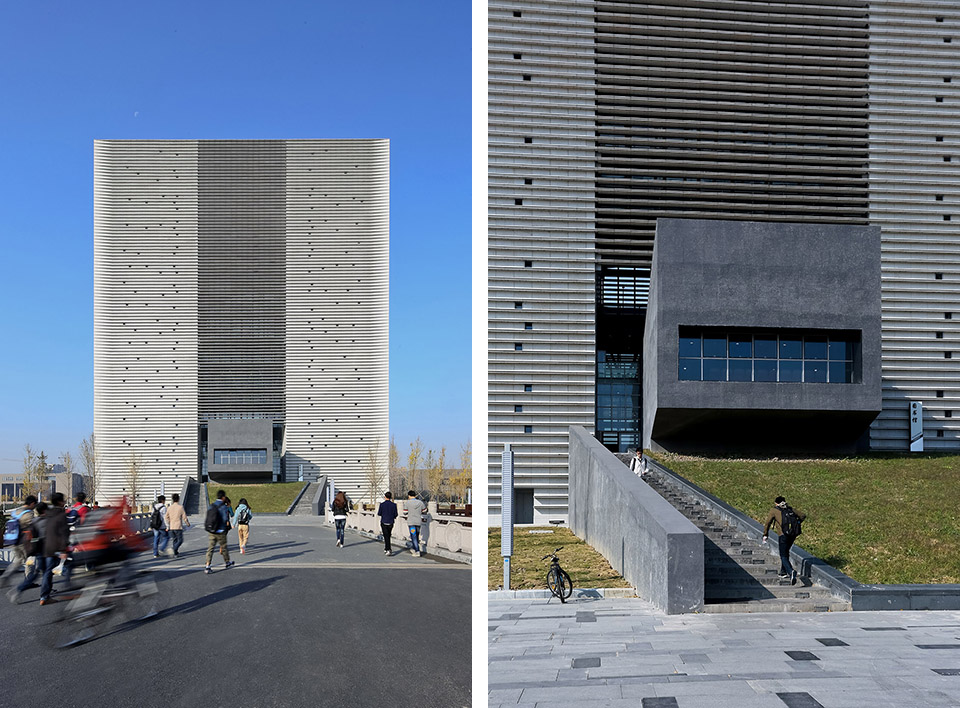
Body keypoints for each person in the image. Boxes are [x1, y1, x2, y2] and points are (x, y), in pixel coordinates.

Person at [762, 496, 807, 585]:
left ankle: (790, 571)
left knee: (783, 555)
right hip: (793, 534)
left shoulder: (774, 510)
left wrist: (765, 534)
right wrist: (797, 523)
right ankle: (783, 572)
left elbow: (768, 523)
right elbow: (802, 515)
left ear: (776, 503)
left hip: (783, 535)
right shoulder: (790, 509)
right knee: (786, 552)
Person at [1, 495, 37, 587]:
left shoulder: (16, 511)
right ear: (32, 503)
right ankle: (28, 580)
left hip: (13, 540)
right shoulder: (29, 513)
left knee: (18, 561)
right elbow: (31, 527)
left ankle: (6, 575)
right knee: (30, 559)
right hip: (23, 541)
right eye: (34, 504)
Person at [204, 490, 235, 574]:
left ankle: (207, 566)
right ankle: (227, 561)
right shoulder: (224, 507)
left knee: (210, 548)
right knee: (224, 547)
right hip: (221, 531)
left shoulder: (212, 505)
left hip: (212, 530)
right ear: (223, 497)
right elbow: (225, 519)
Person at [165, 492, 190, 558]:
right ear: (178, 499)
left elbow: (166, 517)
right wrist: (187, 524)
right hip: (178, 526)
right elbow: (184, 517)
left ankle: (175, 553)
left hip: (171, 526)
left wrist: (169, 522)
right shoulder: (180, 507)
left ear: (172, 499)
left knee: (175, 540)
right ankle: (173, 549)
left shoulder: (169, 508)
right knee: (180, 540)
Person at [404, 490, 426, 557]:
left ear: (409, 496)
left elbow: (405, 512)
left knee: (413, 536)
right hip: (418, 521)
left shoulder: (407, 503)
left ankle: (417, 551)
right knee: (416, 536)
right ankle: (414, 548)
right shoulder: (420, 502)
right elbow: (425, 510)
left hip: (411, 522)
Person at [376, 491, 398, 556]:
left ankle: (388, 549)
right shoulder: (394, 505)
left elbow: (379, 513)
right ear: (390, 497)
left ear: (385, 497)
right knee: (388, 535)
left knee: (386, 536)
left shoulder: (382, 505)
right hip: (391, 522)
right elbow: (396, 514)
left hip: (384, 522)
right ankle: (387, 548)